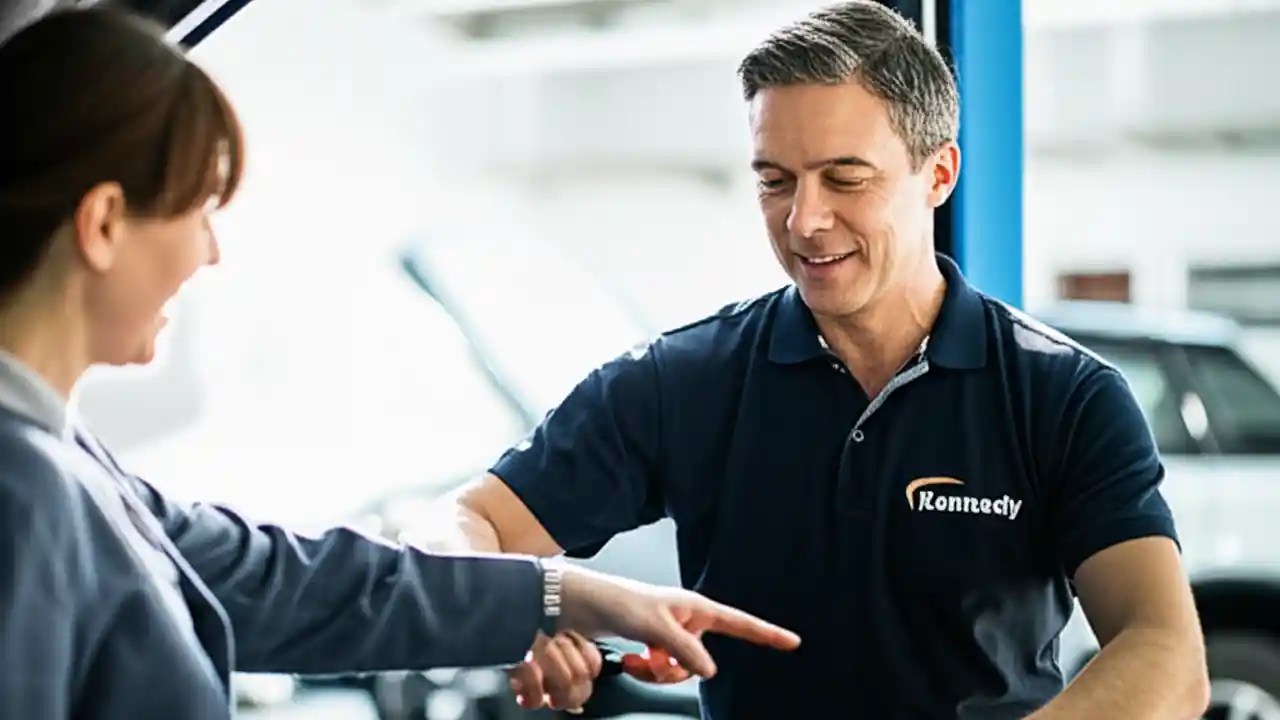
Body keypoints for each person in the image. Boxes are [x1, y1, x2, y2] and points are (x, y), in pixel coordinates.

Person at [0, 8, 801, 720]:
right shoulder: (21, 493)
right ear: (104, 223)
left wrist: (562, 597)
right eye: (199, 209)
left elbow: (287, 580)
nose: (208, 253)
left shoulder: (62, 459)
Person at [428, 2, 1212, 718]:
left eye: (845, 178)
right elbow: (463, 522)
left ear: (938, 174)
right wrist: (530, 604)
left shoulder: (1062, 396)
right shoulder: (685, 382)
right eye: (775, 182)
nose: (804, 220)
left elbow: (1167, 656)